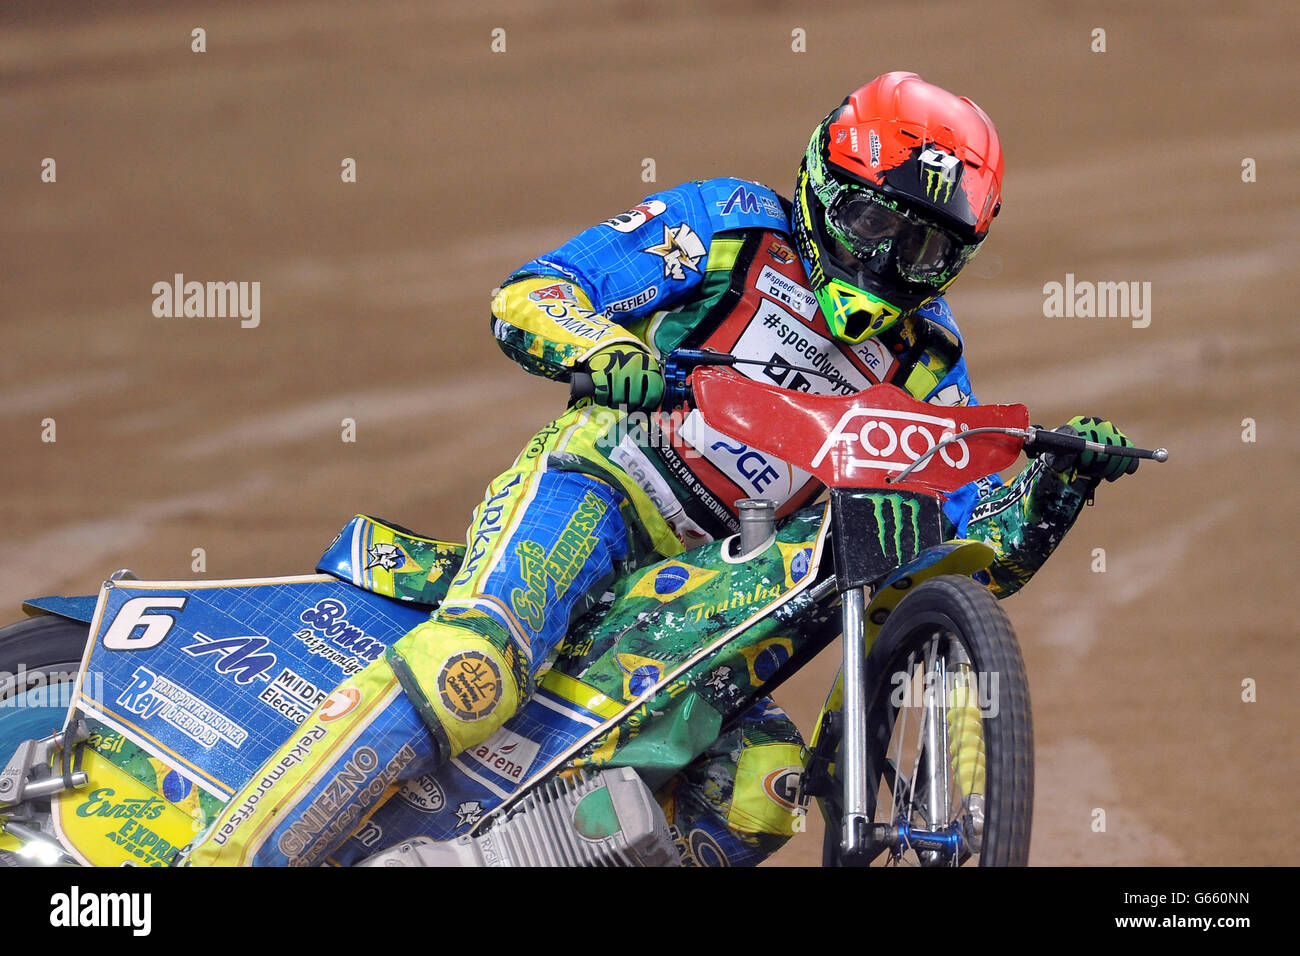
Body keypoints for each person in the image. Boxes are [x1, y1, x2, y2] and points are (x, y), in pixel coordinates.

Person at [185, 72, 1138, 867]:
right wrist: (603, 354)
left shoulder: (933, 367)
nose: (888, 258)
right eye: (868, 219)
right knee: (473, 666)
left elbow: (957, 551)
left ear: (957, 258)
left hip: (718, 592)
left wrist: (1055, 492)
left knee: (765, 793)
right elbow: (534, 293)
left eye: (924, 244)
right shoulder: (727, 224)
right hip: (601, 488)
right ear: (818, 179)